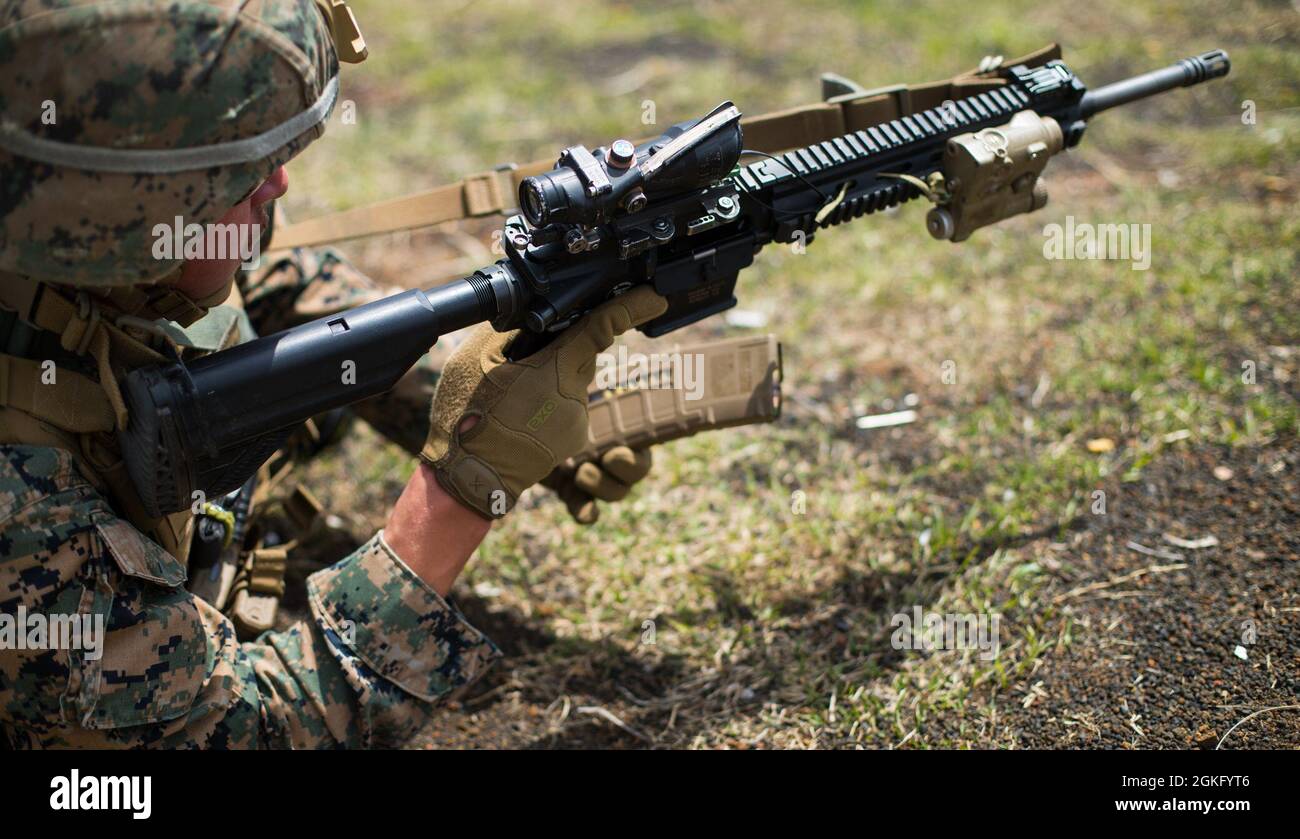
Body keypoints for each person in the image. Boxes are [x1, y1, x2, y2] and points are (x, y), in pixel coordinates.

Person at [0, 0, 662, 747]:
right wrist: (463, 483)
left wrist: (461, 386)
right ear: (118, 215)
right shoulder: (20, 504)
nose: (277, 184)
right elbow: (246, 729)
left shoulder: (94, 247)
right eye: (240, 175)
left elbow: (272, 278)